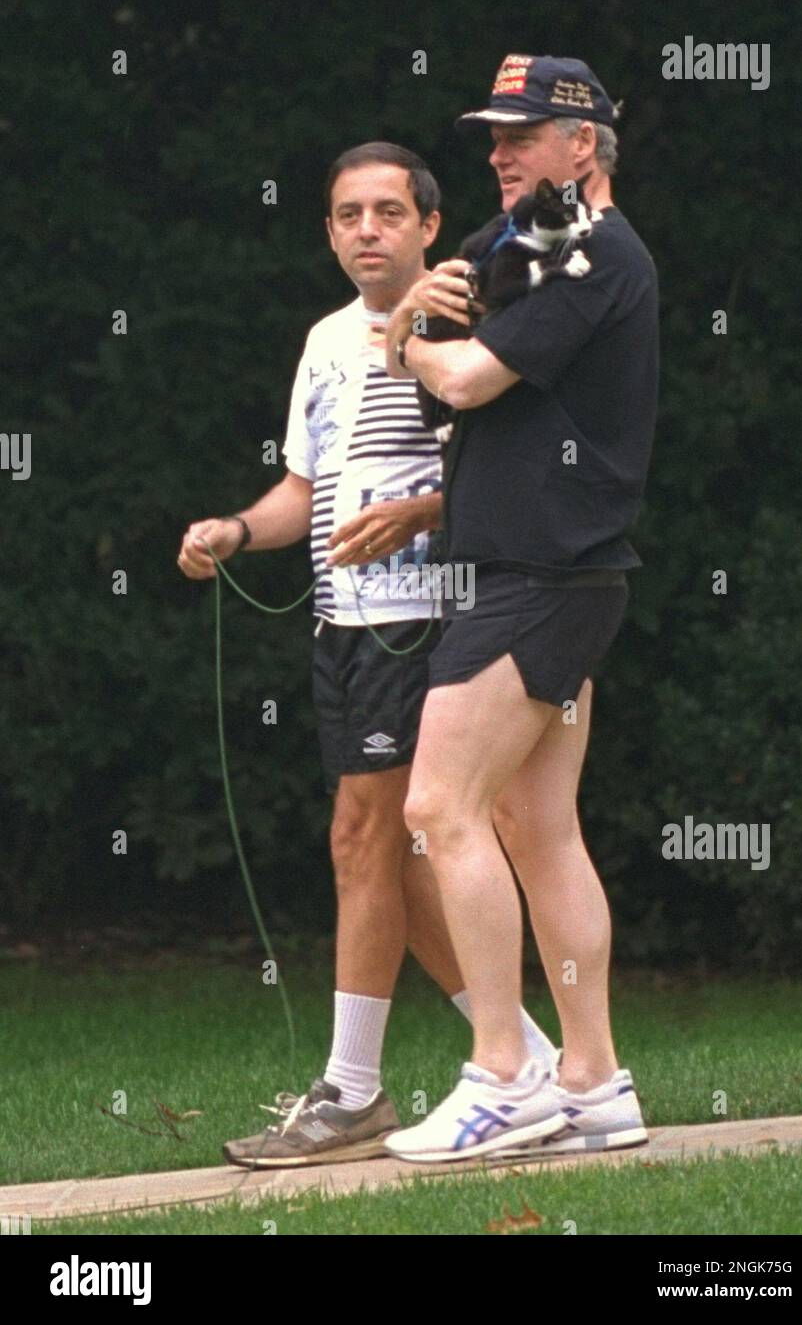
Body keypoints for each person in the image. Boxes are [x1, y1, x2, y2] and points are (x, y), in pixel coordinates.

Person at [177, 141, 557, 1167]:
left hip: (430, 614)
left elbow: (510, 466)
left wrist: (424, 511)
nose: (366, 231)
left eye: (388, 212)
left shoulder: (463, 323)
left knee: (371, 836)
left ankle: (355, 1089)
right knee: (388, 850)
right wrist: (233, 529)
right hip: (340, 622)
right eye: (347, 214)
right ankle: (528, 1060)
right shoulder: (323, 340)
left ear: (430, 226)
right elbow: (304, 489)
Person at [381, 57, 659, 1162]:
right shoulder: (534, 242)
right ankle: (593, 1082)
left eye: (523, 133)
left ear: (580, 145)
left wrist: (404, 331)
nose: (496, 151)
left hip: (541, 575)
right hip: (549, 572)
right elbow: (447, 350)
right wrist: (423, 314)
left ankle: (503, 1070)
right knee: (535, 828)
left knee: (438, 805)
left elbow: (462, 382)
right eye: (492, 134)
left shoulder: (589, 249)